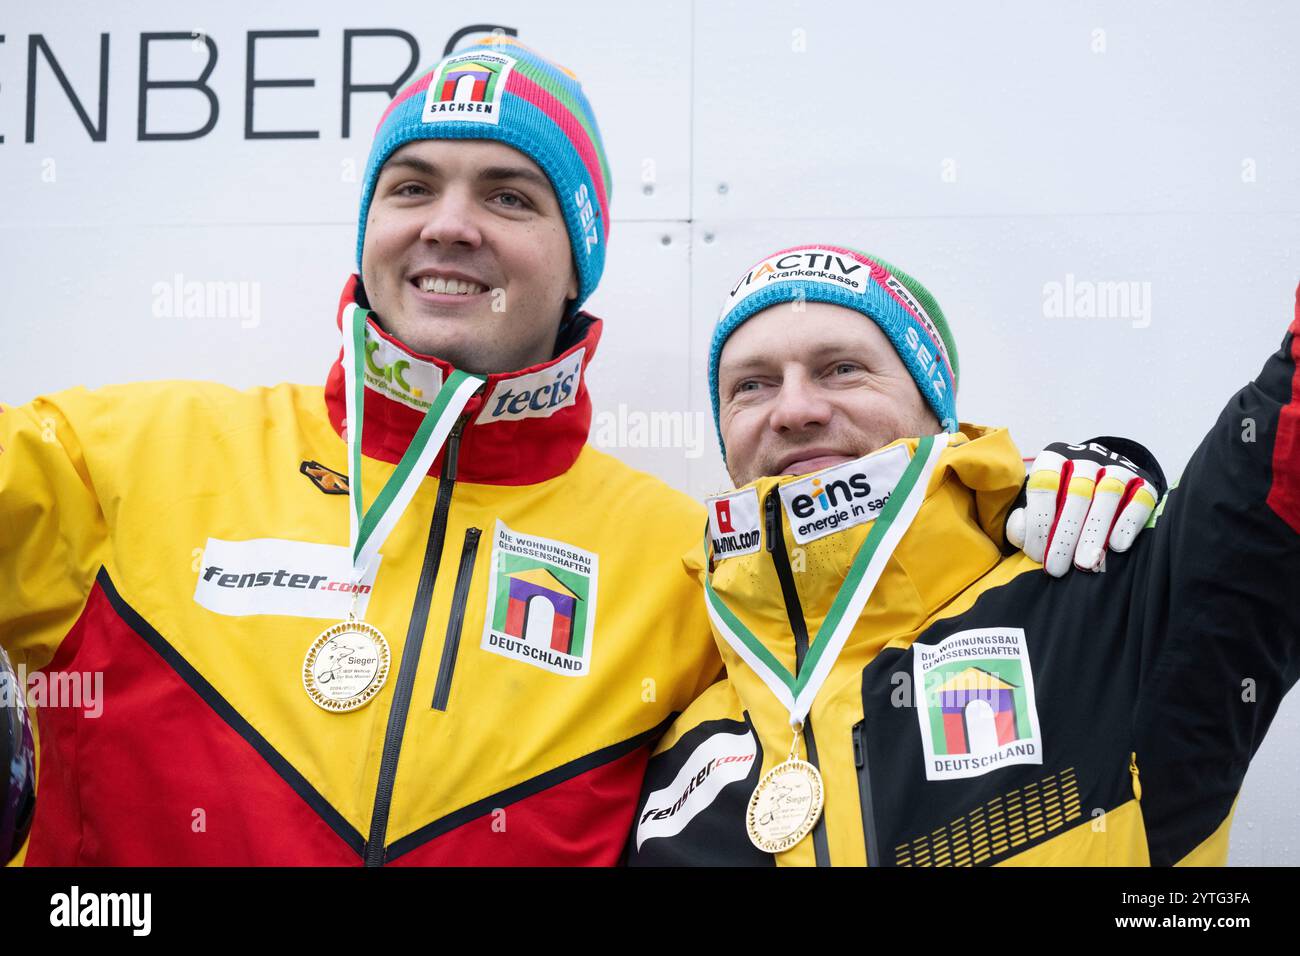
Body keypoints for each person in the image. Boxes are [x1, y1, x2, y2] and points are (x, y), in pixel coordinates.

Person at [0, 37, 724, 866]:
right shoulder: (126, 464)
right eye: (411, 187)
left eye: (510, 197)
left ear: (576, 267)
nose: (450, 225)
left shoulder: (684, 569)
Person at [626, 243, 1299, 866]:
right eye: (752, 384)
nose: (795, 408)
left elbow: (1269, 476)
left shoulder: (1104, 609)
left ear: (936, 412)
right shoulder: (668, 753)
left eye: (843, 369)